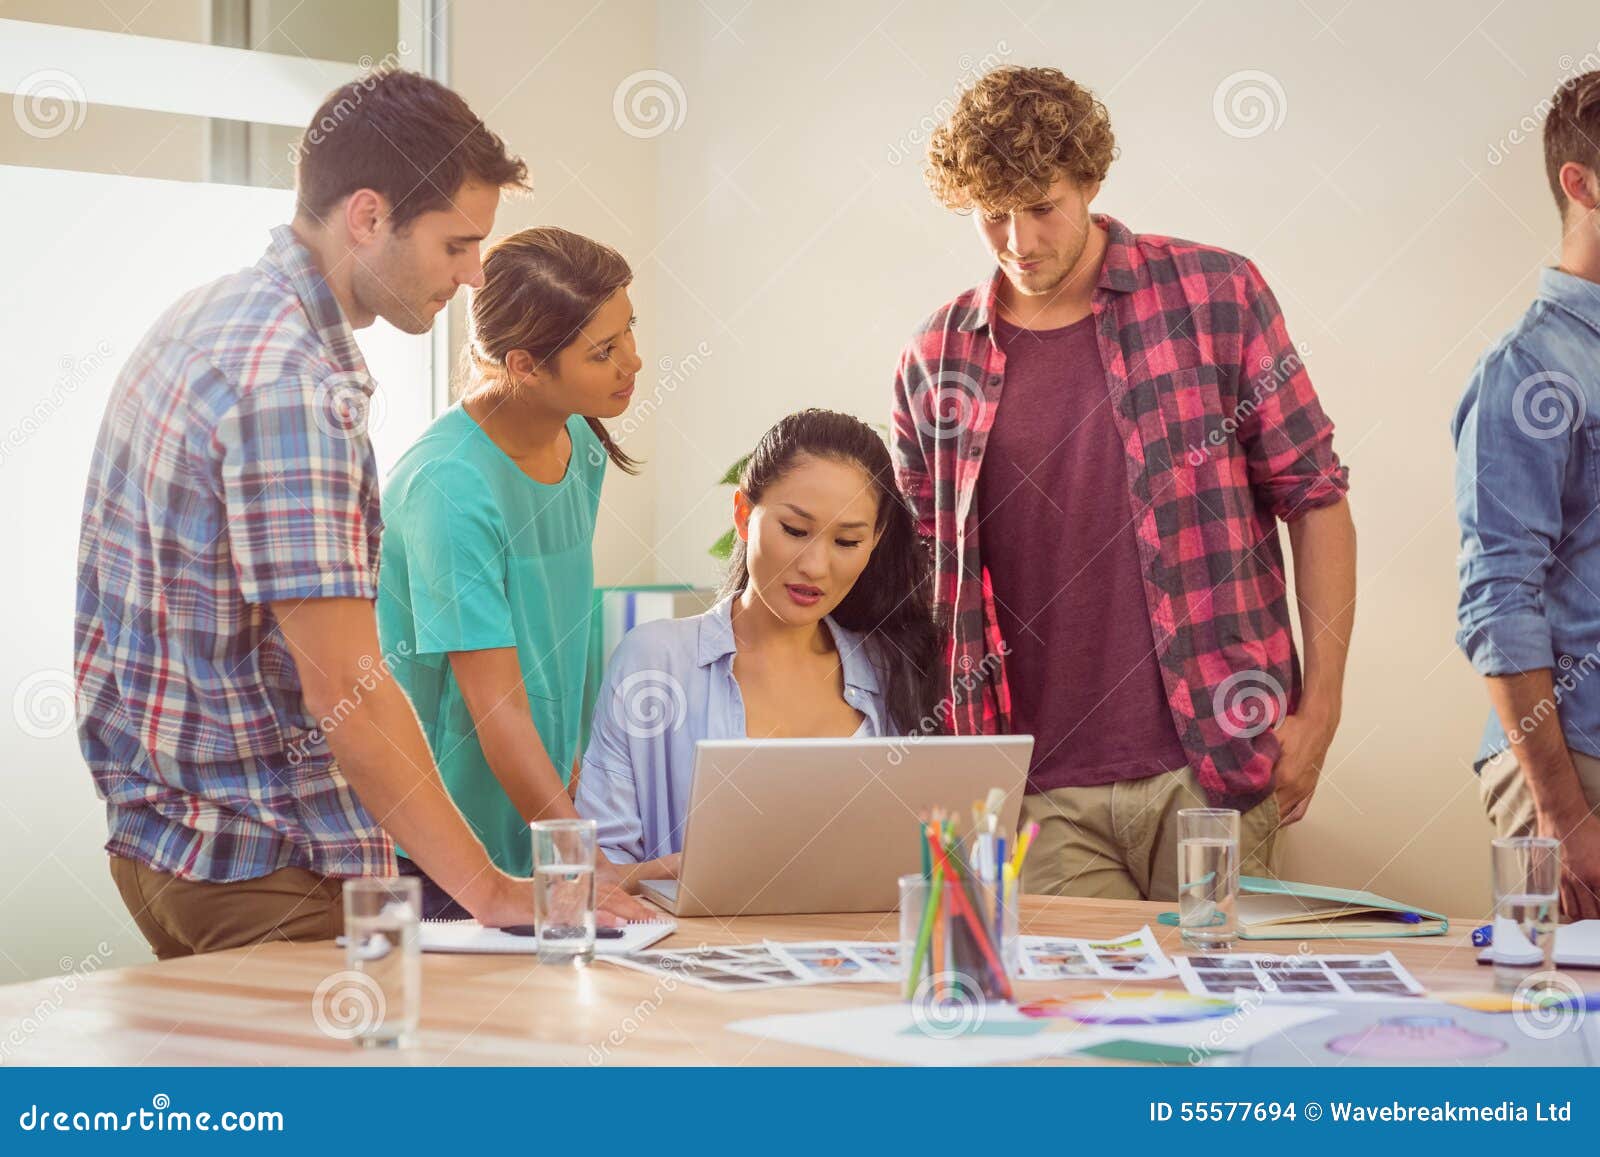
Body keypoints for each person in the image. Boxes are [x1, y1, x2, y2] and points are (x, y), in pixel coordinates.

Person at [75, 70, 641, 962]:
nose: (474, 274)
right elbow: (345, 687)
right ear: (370, 216)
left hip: (169, 837)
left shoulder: (208, 317)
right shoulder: (296, 386)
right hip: (256, 855)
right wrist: (492, 889)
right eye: (457, 244)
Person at [891, 66, 1356, 902]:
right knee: (1071, 1031)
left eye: (1042, 206)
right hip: (1037, 793)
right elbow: (922, 580)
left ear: (1092, 182)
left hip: (1214, 764)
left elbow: (1315, 497)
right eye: (992, 214)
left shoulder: (1216, 295)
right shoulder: (937, 358)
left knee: (1216, 1023)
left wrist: (1319, 712)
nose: (1018, 242)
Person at [376, 227, 646, 918]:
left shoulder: (578, 442)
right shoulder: (447, 488)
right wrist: (583, 856)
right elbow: (496, 706)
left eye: (629, 333)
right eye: (604, 351)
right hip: (443, 855)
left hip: (534, 828)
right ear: (525, 365)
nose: (633, 362)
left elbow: (554, 631)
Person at [575, 409, 942, 872]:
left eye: (847, 542)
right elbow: (596, 874)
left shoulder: (892, 673)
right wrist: (707, 869)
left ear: (875, 540)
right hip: (694, 945)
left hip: (851, 945)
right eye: (794, 531)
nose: (815, 566)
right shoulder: (655, 661)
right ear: (744, 515)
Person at [1453, 71, 1600, 920]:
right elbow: (1497, 601)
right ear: (1579, 183)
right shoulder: (1528, 370)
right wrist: (1560, 810)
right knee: (1573, 1035)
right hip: (1575, 771)